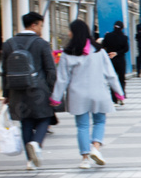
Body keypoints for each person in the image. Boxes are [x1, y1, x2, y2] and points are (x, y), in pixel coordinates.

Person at [50, 19, 125, 169]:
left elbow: (62, 79)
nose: (68, 33)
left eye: (70, 30)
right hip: (99, 92)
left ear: (74, 32)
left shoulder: (67, 53)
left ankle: (85, 158)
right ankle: (95, 148)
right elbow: (110, 74)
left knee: (82, 126)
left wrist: (55, 98)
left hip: (78, 95)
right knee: (99, 122)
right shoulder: (100, 51)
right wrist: (119, 93)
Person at [0, 12, 56, 170]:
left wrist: (6, 94)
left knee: (26, 122)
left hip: (17, 90)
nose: (41, 29)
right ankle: (36, 143)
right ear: (34, 25)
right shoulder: (41, 44)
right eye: (40, 25)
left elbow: (4, 71)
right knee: (46, 118)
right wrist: (53, 90)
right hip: (39, 89)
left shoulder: (9, 44)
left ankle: (30, 161)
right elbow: (50, 70)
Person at [101, 20, 130, 106]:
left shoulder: (108, 36)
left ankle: (114, 99)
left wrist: (110, 52)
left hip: (110, 59)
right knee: (121, 78)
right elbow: (126, 49)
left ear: (114, 26)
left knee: (111, 79)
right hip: (120, 59)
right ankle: (121, 96)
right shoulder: (124, 37)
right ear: (122, 28)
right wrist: (117, 53)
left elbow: (103, 45)